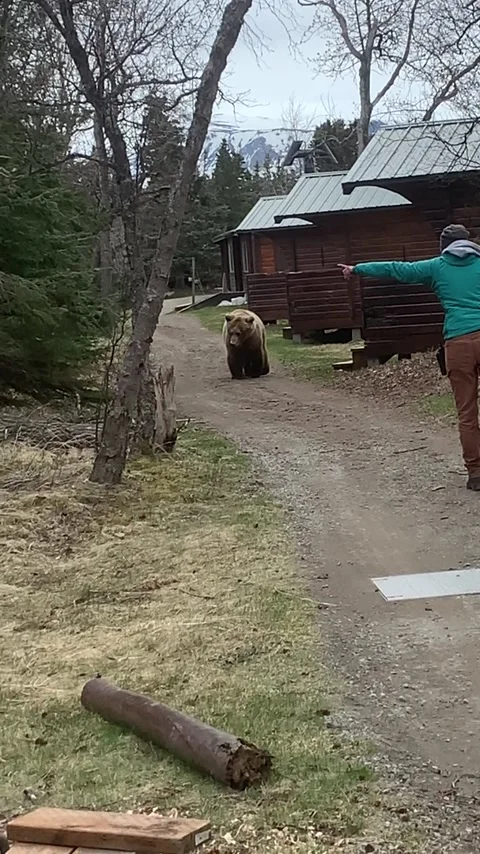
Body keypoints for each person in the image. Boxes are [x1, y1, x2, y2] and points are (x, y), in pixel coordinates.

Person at [339, 224, 480, 491]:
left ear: (444, 246)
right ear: (469, 243)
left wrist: (357, 269)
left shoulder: (437, 267)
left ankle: (476, 473)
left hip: (458, 344)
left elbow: (395, 268)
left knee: (467, 413)